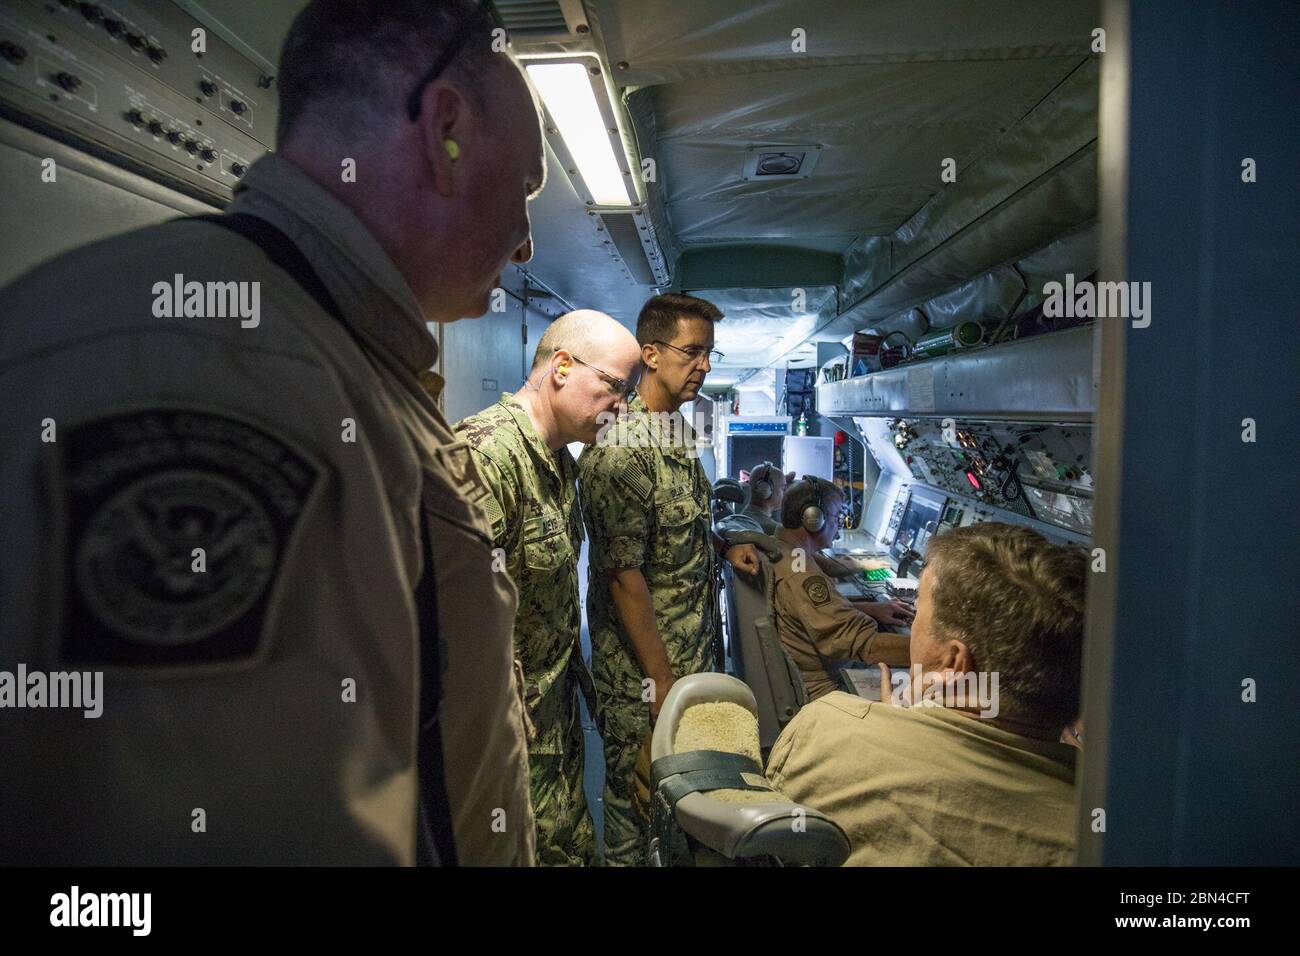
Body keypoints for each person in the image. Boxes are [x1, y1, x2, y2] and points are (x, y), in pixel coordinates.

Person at [0, 0, 540, 865]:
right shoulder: (224, 368)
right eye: (526, 187)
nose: (525, 245)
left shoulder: (337, 354)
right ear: (445, 132)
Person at [766, 522, 1085, 866]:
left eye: (918, 608)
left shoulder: (823, 729)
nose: (913, 620)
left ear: (952, 662)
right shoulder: (1107, 837)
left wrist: (900, 726)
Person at [455, 310, 641, 865]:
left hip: (552, 729)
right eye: (615, 387)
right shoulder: (485, 459)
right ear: (561, 366)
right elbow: (443, 627)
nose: (622, 408)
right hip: (501, 749)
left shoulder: (559, 462)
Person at [577, 292, 757, 865]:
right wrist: (664, 687)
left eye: (710, 354)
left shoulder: (676, 432)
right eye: (693, 351)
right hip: (645, 676)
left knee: (681, 805)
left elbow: (673, 532)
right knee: (638, 812)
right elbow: (623, 579)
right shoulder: (621, 450)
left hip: (690, 656)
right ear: (651, 354)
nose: (703, 365)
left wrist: (724, 546)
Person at [770, 477, 911, 700]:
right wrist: (946, 650)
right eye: (836, 516)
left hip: (810, 677)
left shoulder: (787, 552)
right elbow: (869, 647)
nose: (838, 524)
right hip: (825, 689)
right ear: (813, 519)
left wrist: (868, 608)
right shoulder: (801, 574)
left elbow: (806, 612)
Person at [741, 462, 793, 535]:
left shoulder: (744, 517)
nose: (785, 493)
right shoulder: (775, 530)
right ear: (765, 490)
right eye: (783, 488)